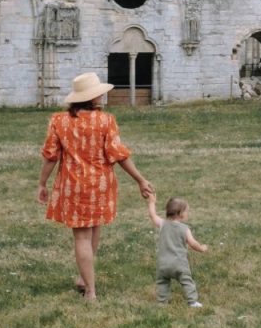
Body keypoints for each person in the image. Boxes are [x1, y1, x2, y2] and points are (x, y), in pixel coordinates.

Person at [37, 72, 153, 301]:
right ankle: (89, 288)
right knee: (93, 229)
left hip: (73, 186)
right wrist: (140, 179)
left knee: (82, 236)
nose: (103, 96)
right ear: (91, 97)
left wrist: (42, 183)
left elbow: (51, 157)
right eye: (99, 93)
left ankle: (86, 284)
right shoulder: (105, 121)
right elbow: (119, 155)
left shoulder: (59, 121)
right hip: (100, 185)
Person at [147, 194, 210, 308]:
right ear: (180, 213)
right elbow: (193, 243)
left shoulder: (162, 224)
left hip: (163, 264)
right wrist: (201, 248)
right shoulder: (184, 229)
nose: (188, 213)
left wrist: (152, 201)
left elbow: (152, 215)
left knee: (162, 282)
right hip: (179, 264)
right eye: (187, 211)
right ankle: (192, 301)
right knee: (187, 281)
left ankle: (162, 302)